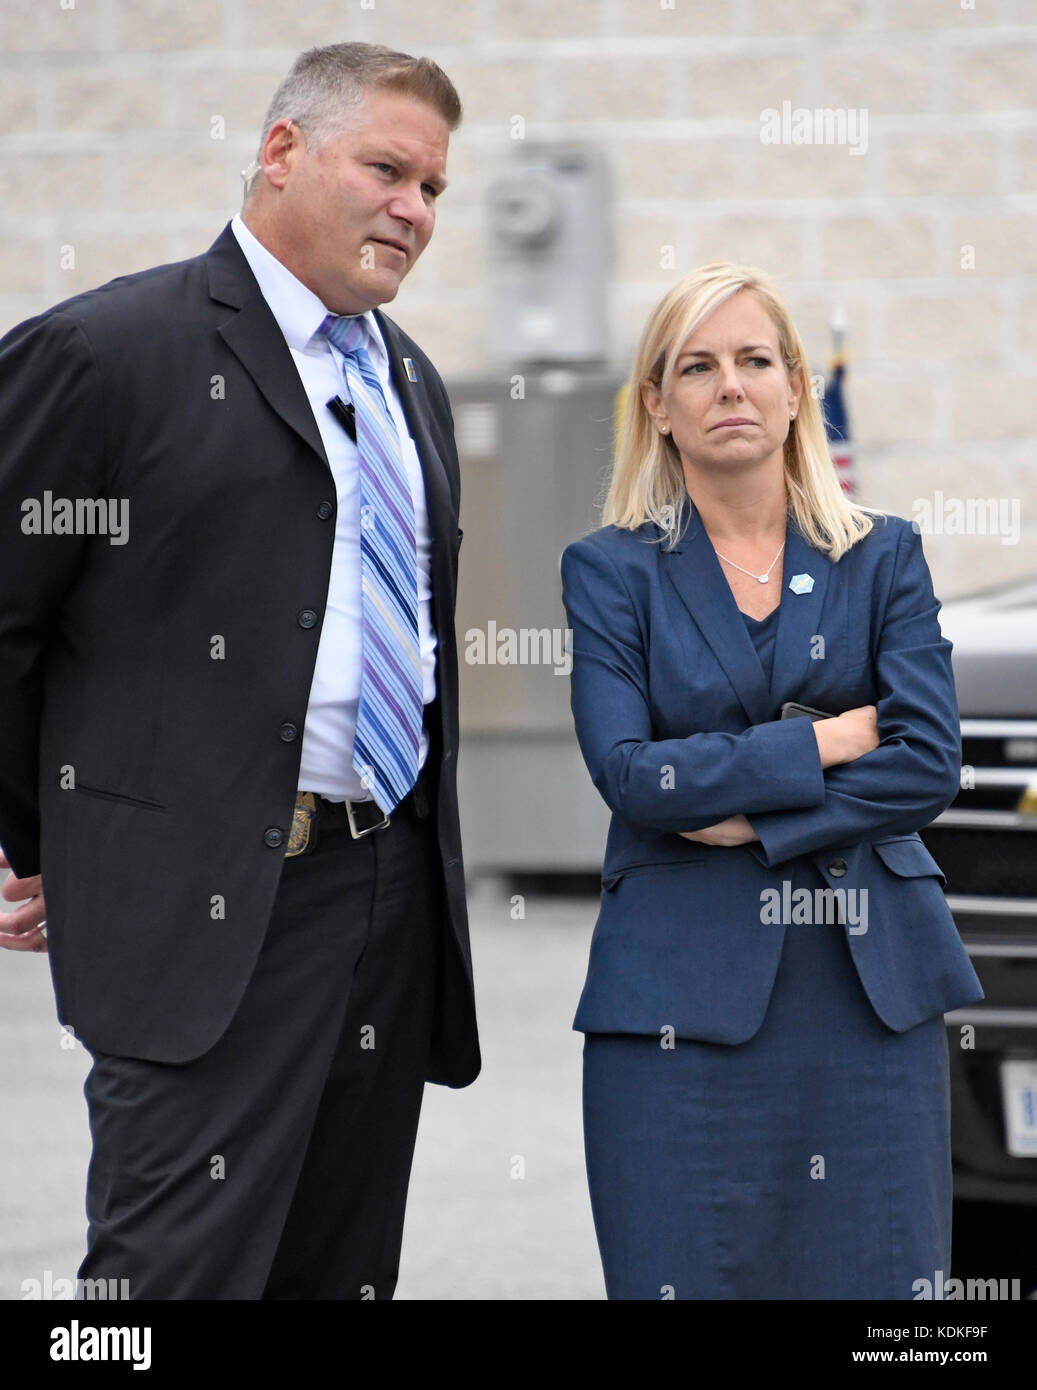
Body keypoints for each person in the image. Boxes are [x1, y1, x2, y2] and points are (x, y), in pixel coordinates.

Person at [0, 41, 479, 1300]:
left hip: (384, 897)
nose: (414, 210)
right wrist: (32, 838)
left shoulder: (408, 378)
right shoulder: (105, 353)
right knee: (165, 1288)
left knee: (338, 1268)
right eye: (387, 169)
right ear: (281, 152)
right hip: (202, 913)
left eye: (433, 188)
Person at [560, 262, 983, 1301]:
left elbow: (927, 761)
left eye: (754, 360)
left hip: (864, 1000)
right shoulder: (610, 570)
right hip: (675, 1009)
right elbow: (632, 777)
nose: (729, 387)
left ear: (796, 385)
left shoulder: (882, 556)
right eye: (695, 367)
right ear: (655, 404)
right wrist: (826, 744)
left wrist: (746, 810)